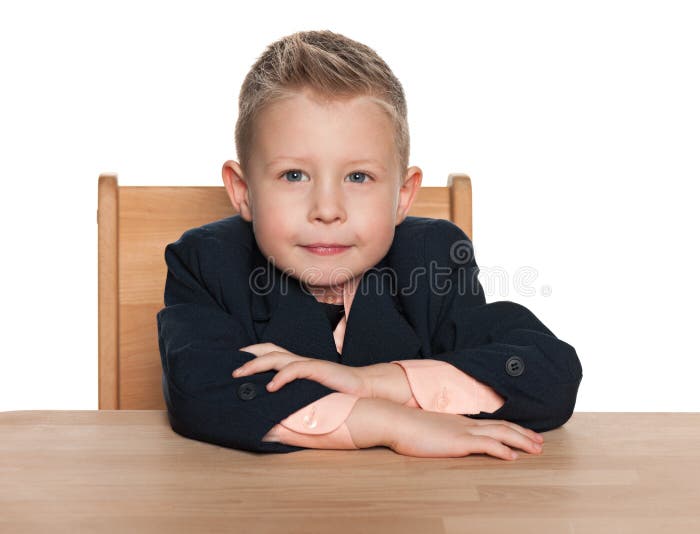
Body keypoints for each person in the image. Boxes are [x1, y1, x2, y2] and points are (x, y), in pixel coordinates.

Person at [157, 30, 582, 461]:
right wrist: (391, 422)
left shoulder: (433, 259)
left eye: (358, 177)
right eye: (294, 175)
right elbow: (199, 389)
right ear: (244, 191)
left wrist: (375, 382)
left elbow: (548, 372)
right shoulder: (206, 262)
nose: (327, 209)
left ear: (402, 195)